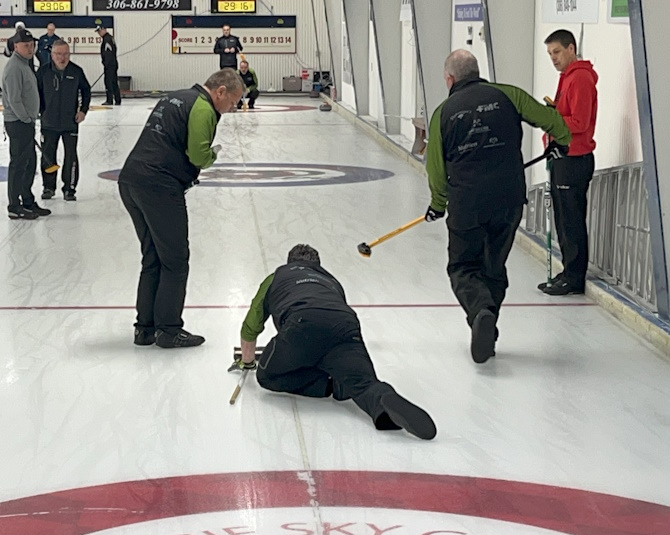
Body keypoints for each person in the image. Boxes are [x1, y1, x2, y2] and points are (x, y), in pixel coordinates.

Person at [425, 49, 570, 364]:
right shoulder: (509, 95)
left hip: (467, 202)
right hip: (508, 199)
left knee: (463, 267)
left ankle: (481, 312)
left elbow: (435, 167)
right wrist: (561, 141)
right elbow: (550, 119)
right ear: (477, 71)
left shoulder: (443, 113)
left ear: (449, 79)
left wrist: (438, 204)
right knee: (493, 266)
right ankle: (487, 329)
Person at [235, 244, 437, 440]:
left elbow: (251, 326)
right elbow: (332, 322)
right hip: (346, 325)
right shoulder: (330, 280)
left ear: (289, 262)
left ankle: (329, 385)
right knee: (364, 383)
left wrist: (248, 362)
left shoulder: (277, 277)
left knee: (267, 376)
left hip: (302, 324)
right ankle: (382, 403)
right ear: (318, 264)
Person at [118, 69, 244, 349]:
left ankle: (145, 329)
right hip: (158, 186)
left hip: (131, 180)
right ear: (220, 91)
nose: (232, 108)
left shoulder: (176, 97)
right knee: (175, 260)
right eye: (233, 102)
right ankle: (169, 330)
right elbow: (198, 155)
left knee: (153, 256)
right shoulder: (204, 108)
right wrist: (212, 156)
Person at [538, 29, 598, 296]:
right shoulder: (567, 77)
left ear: (571, 49)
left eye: (557, 52)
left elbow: (580, 122)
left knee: (571, 221)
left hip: (574, 159)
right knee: (563, 220)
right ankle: (568, 271)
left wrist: (553, 121)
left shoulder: (580, 78)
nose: (553, 58)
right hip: (562, 156)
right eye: (550, 53)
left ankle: (574, 277)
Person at [2, 29, 50, 220]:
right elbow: (14, 99)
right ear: (16, 46)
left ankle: (28, 201)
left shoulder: (24, 64)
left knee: (29, 163)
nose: (30, 49)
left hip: (25, 122)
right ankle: (14, 206)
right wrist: (26, 118)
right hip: (18, 123)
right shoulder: (14, 67)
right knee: (19, 164)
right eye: (26, 45)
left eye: (32, 45)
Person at [37, 40, 90, 202]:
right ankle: (48, 187)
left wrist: (83, 111)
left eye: (65, 54)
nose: (62, 58)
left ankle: (69, 188)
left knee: (71, 156)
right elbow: (36, 93)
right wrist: (40, 111)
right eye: (58, 54)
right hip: (49, 123)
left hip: (70, 122)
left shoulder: (76, 71)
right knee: (48, 155)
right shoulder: (43, 72)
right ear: (52, 55)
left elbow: (86, 91)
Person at [97, 26, 120, 105]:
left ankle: (109, 100)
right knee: (114, 82)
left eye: (100, 31)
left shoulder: (107, 39)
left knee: (108, 82)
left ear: (104, 30)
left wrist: (106, 64)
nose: (99, 33)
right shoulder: (110, 38)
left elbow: (108, 53)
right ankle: (117, 99)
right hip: (113, 63)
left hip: (110, 65)